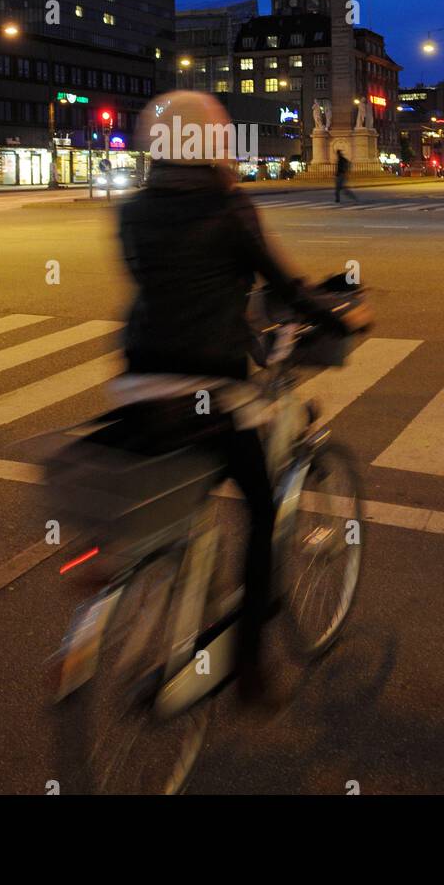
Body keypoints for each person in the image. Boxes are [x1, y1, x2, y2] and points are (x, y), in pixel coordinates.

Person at [116, 90, 344, 708]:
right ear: (215, 143)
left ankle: (150, 586)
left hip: (137, 385)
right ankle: (246, 663)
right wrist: (337, 317)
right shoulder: (229, 207)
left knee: (176, 496)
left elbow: (169, 291)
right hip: (207, 392)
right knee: (264, 509)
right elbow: (282, 283)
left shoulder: (131, 211)